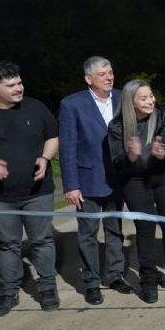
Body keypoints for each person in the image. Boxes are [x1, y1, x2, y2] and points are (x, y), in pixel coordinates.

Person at [0, 61, 60, 317]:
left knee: (42, 241)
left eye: (19, 82)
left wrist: (45, 158)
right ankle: (8, 292)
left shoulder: (35, 107)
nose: (19, 88)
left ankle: (47, 288)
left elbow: (52, 136)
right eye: (11, 85)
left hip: (38, 192)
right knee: (7, 244)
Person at [59, 56, 130, 305]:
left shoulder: (124, 98)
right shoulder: (72, 104)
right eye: (103, 74)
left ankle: (115, 275)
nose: (109, 77)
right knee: (88, 233)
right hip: (87, 180)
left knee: (115, 230)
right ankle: (90, 282)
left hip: (117, 179)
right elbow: (67, 147)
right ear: (89, 79)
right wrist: (71, 185)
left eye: (111, 72)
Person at [107, 79, 165, 303]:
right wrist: (130, 156)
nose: (151, 100)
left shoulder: (163, 117)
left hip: (164, 179)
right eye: (144, 98)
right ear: (130, 102)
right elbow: (116, 162)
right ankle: (148, 281)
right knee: (145, 231)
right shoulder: (117, 126)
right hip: (135, 183)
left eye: (151, 96)